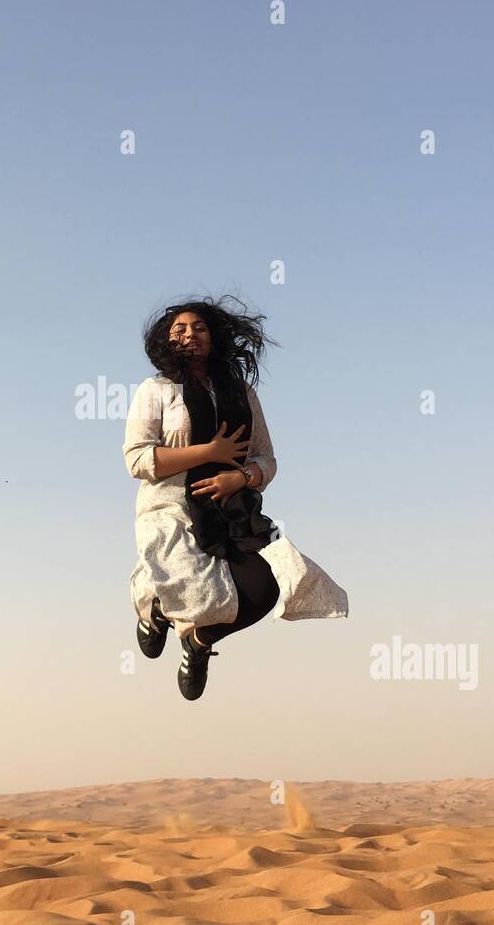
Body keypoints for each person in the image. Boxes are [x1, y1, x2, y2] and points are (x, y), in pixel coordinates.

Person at [122, 295, 348, 700]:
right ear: (165, 340)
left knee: (268, 586)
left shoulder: (242, 393)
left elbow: (266, 457)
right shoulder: (156, 390)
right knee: (190, 584)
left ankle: (198, 643)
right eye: (179, 329)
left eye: (199, 328)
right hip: (171, 506)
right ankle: (155, 607)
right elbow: (138, 459)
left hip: (233, 507)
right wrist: (208, 453)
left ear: (215, 337)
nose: (190, 334)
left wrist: (240, 477)